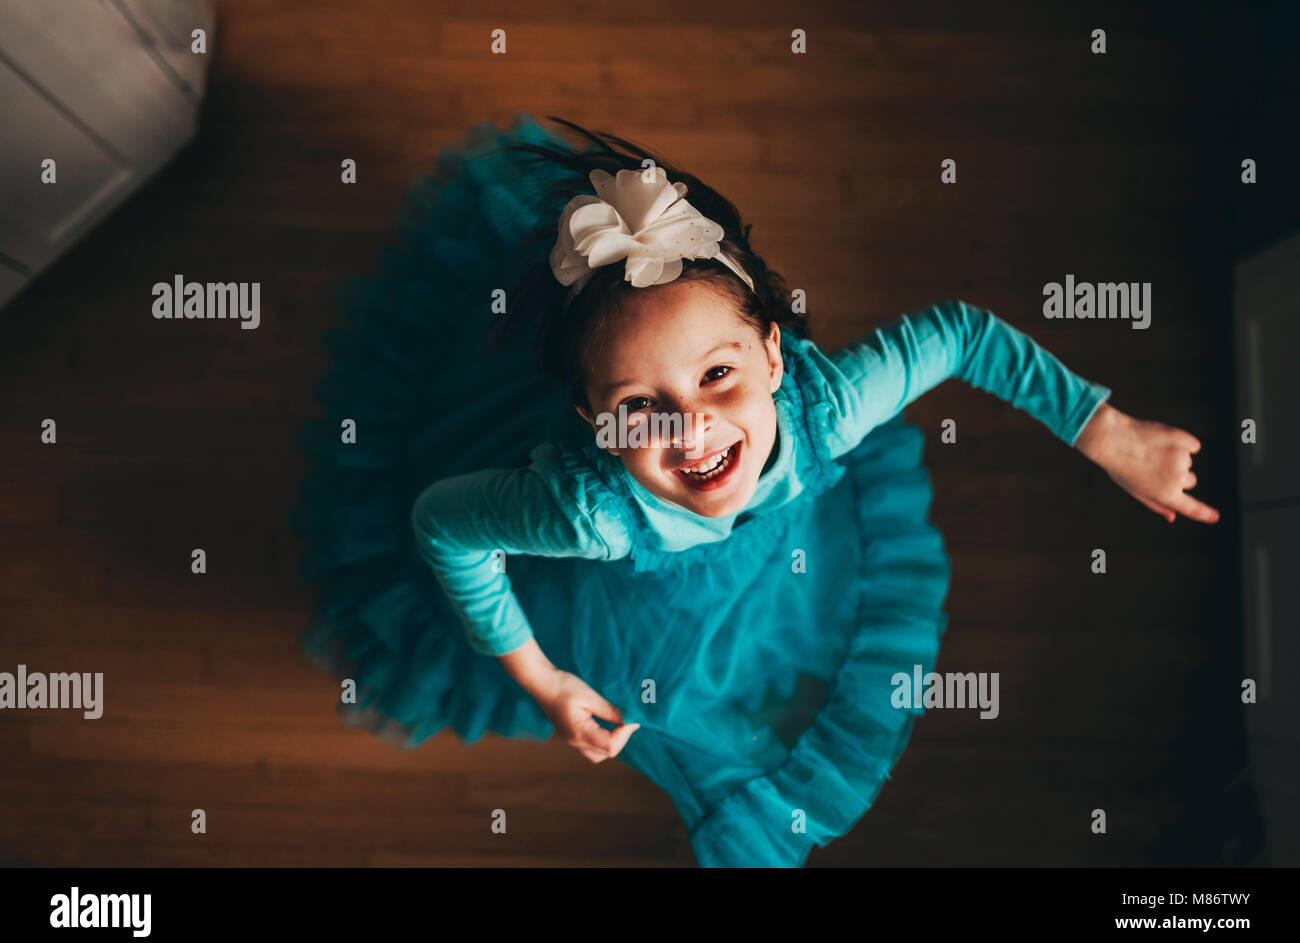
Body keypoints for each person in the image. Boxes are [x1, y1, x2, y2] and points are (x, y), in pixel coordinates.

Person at [291, 113, 1218, 867]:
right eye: (639, 405)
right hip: (614, 587)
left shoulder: (830, 406)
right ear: (589, 420)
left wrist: (1107, 433)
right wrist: (540, 678)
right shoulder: (584, 509)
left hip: (772, 544)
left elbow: (964, 334)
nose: (691, 428)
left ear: (776, 356)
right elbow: (443, 525)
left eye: (719, 376)